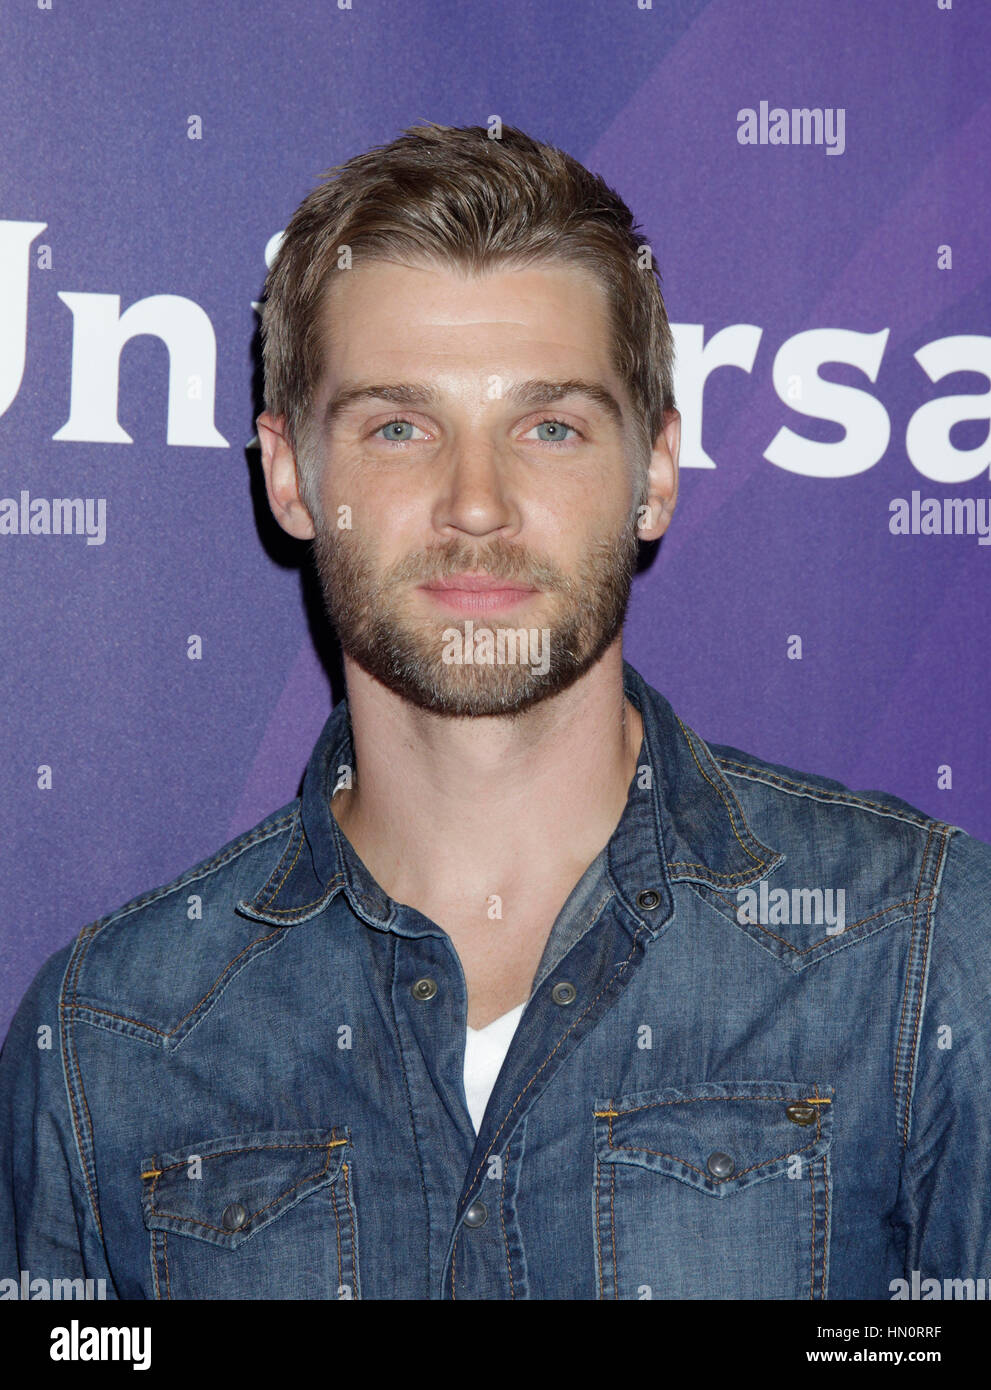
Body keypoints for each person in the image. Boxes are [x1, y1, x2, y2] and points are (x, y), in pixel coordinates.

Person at [2, 122, 989, 1302]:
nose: (477, 504)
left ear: (655, 473)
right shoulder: (106, 1037)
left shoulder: (922, 957)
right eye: (400, 426)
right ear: (288, 473)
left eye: (550, 426)